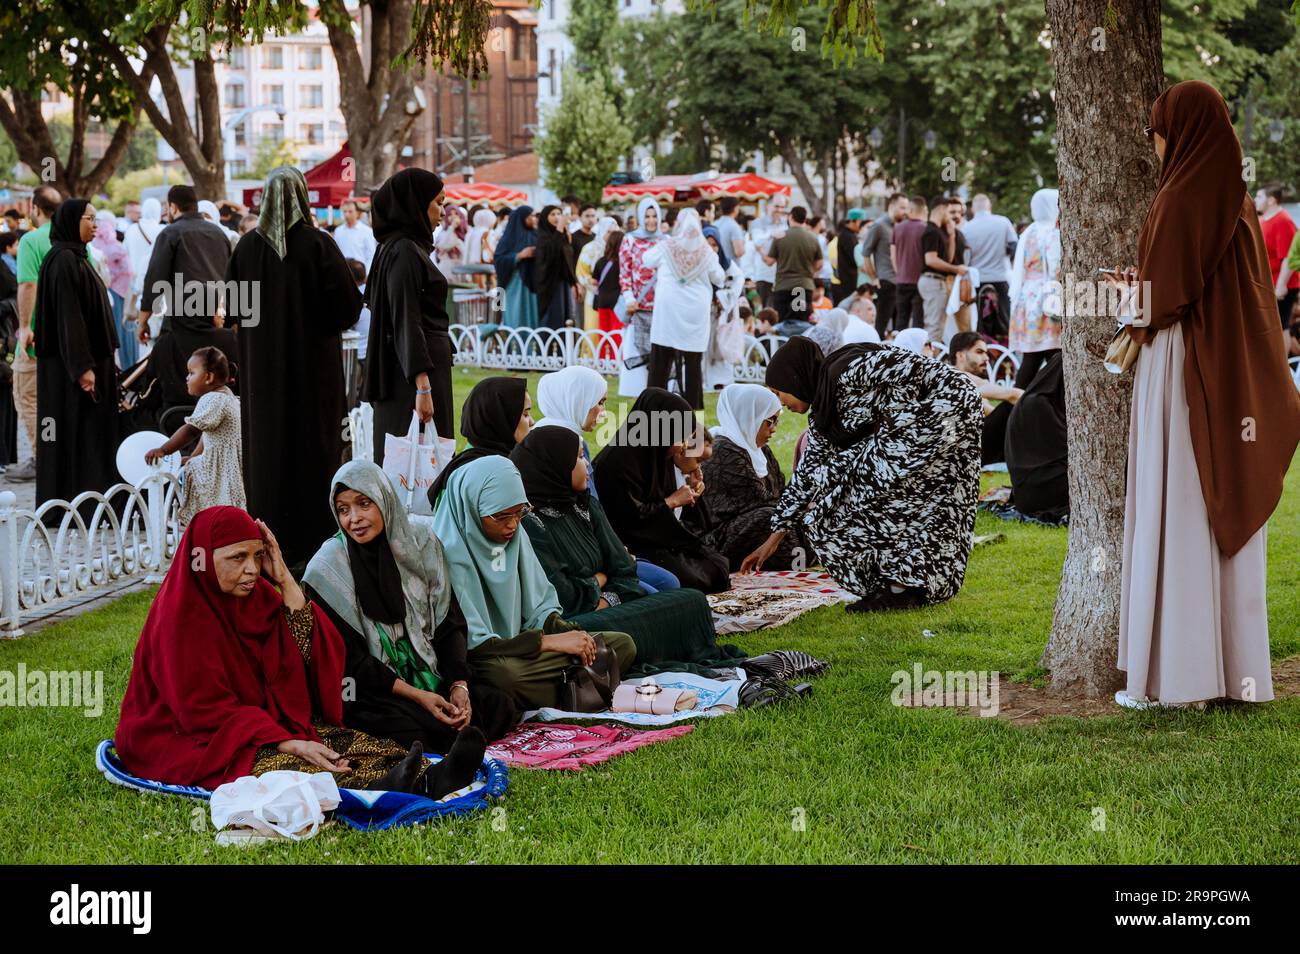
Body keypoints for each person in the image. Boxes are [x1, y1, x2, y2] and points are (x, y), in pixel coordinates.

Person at [1116, 81, 1300, 708]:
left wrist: (1131, 298)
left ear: (1184, 130)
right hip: (1221, 373)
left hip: (1179, 366)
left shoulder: (1182, 197)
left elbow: (1162, 299)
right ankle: (1228, 671)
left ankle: (1182, 675)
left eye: (1160, 129)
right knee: (1200, 503)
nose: (1158, 142)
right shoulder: (1240, 202)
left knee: (1180, 502)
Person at [115, 506, 486, 797]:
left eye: (257, 555)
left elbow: (306, 650)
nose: (250, 569)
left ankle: (431, 777)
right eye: (236, 558)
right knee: (291, 763)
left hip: (258, 722)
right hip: (191, 738)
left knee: (352, 743)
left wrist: (283, 578)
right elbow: (202, 713)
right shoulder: (180, 617)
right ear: (200, 558)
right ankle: (373, 792)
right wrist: (285, 739)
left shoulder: (256, 595)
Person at [745, 336, 982, 612]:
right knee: (913, 503)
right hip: (926, 426)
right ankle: (901, 587)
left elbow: (913, 369)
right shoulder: (824, 415)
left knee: (852, 487)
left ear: (794, 378)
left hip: (949, 406)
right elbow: (806, 476)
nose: (778, 401)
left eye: (778, 391)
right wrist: (774, 537)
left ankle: (896, 586)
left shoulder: (846, 371)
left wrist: (896, 412)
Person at [303, 461, 517, 751]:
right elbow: (350, 661)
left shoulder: (421, 544)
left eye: (364, 504)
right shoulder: (327, 568)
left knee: (499, 704)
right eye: (343, 509)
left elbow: (449, 623)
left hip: (428, 673)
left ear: (384, 498)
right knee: (406, 729)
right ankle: (447, 739)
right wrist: (417, 696)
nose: (354, 519)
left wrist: (458, 685)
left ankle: (450, 731)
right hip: (371, 689)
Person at [225, 167, 362, 567]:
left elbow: (233, 310)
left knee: (268, 451)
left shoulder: (246, 249)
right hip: (313, 375)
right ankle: (317, 542)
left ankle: (269, 537)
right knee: (315, 448)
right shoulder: (320, 245)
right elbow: (349, 309)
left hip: (261, 378)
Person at [510, 426, 731, 667]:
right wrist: (604, 579)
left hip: (607, 605)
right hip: (575, 627)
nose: (587, 465)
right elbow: (566, 598)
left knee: (692, 600)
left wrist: (604, 594)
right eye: (578, 458)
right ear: (556, 465)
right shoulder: (531, 523)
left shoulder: (584, 505)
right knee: (660, 611)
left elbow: (625, 568)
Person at [432, 455, 637, 711]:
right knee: (504, 677)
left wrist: (568, 633)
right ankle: (577, 683)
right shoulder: (447, 553)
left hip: (530, 654)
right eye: (501, 516)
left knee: (621, 644)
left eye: (520, 512)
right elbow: (477, 648)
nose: (513, 525)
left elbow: (540, 609)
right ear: (471, 510)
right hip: (489, 660)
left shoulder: (515, 536)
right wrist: (549, 643)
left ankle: (566, 686)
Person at [592, 388, 731, 594]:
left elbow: (682, 522)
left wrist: (691, 486)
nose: (684, 446)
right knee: (692, 578)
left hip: (658, 540)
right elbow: (628, 522)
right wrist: (671, 502)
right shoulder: (616, 464)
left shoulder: (656, 455)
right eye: (680, 437)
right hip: (631, 546)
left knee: (716, 563)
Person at [32, 198, 120, 510]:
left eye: (96, 219)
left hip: (88, 363)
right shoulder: (63, 260)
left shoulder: (76, 257)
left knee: (89, 433)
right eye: (89, 219)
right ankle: (75, 503)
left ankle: (91, 499)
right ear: (72, 220)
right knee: (74, 431)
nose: (95, 225)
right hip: (73, 370)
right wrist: (83, 367)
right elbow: (69, 318)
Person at [361, 168, 453, 466]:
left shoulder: (404, 248)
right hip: (412, 377)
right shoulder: (403, 252)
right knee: (411, 462)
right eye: (438, 202)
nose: (442, 211)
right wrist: (422, 386)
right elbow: (406, 321)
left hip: (416, 369)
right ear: (416, 204)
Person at [693, 383, 809, 570]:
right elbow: (759, 502)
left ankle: (804, 553)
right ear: (750, 417)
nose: (774, 429)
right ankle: (805, 555)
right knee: (770, 517)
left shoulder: (759, 449)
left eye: (776, 421)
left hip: (757, 524)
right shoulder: (723, 450)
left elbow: (782, 494)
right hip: (716, 537)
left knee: (800, 510)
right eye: (770, 421)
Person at [145, 345, 245, 527]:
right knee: (191, 463)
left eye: (191, 373)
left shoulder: (212, 398)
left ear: (208, 377)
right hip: (231, 464)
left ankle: (182, 518)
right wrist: (195, 455)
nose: (187, 378)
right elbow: (207, 433)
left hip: (221, 466)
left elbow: (192, 430)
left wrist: (164, 449)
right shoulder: (227, 395)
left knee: (191, 474)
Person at [643, 208, 726, 410]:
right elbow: (720, 278)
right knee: (692, 364)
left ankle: (652, 409)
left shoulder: (666, 246)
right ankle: (693, 409)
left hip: (668, 311)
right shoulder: (706, 251)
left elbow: (647, 260)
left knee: (660, 362)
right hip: (695, 313)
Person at [9, 184, 62, 483]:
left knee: (27, 396)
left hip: (36, 337)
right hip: (64, 338)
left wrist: (26, 326)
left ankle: (40, 457)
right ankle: (57, 454)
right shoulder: (77, 240)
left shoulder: (31, 240)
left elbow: (28, 284)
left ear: (35, 208)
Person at [137, 185, 232, 344]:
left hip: (184, 322)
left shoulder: (170, 233)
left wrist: (143, 321)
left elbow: (155, 280)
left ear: (173, 207)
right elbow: (231, 278)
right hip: (218, 319)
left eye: (167, 207)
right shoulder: (219, 233)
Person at [427, 375, 531, 506]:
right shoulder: (491, 472)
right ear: (499, 419)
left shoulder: (473, 456)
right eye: (525, 415)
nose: (532, 422)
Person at [1004, 351, 1067, 522]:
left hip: (1027, 491)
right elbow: (1068, 453)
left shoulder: (1038, 399)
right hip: (1039, 492)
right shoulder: (1040, 404)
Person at [1008, 188, 1062, 387]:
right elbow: (1057, 267)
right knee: (1054, 355)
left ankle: (1016, 403)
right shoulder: (1052, 234)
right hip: (1047, 297)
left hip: (1027, 299)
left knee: (1032, 358)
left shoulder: (1028, 232)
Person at [949, 331, 1022, 465]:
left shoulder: (963, 380)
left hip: (964, 449)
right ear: (960, 355)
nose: (986, 358)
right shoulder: (955, 377)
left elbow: (989, 412)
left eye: (986, 353)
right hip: (958, 453)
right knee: (1011, 406)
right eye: (979, 352)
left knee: (1011, 412)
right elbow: (1012, 395)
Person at [617, 198, 667, 398]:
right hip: (637, 305)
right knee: (636, 348)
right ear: (639, 217)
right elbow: (624, 272)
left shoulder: (665, 241)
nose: (651, 220)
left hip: (661, 305)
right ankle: (635, 389)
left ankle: (659, 388)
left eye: (654, 215)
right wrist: (629, 297)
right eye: (646, 216)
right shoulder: (629, 240)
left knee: (660, 349)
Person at [961, 194, 1018, 340]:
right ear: (989, 207)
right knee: (1004, 321)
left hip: (978, 281)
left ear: (973, 209)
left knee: (981, 322)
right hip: (1001, 277)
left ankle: (984, 349)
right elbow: (1014, 247)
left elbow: (964, 256)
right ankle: (1005, 357)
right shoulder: (1003, 222)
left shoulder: (966, 228)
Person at [918, 195, 968, 342]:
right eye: (948, 211)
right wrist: (955, 269)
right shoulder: (931, 231)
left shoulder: (940, 231)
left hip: (938, 281)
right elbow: (931, 260)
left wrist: (952, 236)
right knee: (934, 327)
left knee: (938, 325)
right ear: (941, 209)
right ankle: (929, 361)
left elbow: (948, 259)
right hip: (933, 280)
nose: (951, 216)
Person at [763, 205, 823, 324]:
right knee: (801, 322)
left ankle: (785, 343)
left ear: (791, 217)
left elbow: (769, 261)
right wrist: (810, 270)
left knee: (782, 322)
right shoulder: (812, 237)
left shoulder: (781, 236)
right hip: (804, 286)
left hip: (783, 286)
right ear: (805, 219)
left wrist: (761, 251)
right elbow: (820, 263)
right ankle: (801, 343)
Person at [91, 210, 135, 369]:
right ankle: (129, 366)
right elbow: (129, 270)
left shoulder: (91, 244)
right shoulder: (114, 245)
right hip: (120, 292)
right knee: (125, 330)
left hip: (104, 292)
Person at [492, 205, 539, 329]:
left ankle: (533, 347)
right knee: (516, 318)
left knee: (534, 318)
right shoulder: (509, 237)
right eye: (531, 216)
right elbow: (499, 259)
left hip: (533, 284)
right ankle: (515, 347)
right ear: (522, 218)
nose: (534, 219)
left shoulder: (536, 235)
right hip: (514, 284)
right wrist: (519, 256)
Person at [532, 205, 577, 330]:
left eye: (559, 214)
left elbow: (568, 259)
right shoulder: (542, 236)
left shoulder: (562, 235)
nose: (557, 217)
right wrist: (559, 230)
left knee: (566, 319)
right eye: (552, 214)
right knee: (553, 318)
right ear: (545, 218)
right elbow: (551, 255)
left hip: (563, 283)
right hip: (550, 286)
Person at [890, 195, 929, 333]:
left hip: (901, 280)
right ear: (923, 209)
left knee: (901, 319)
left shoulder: (898, 228)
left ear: (910, 209)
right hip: (920, 280)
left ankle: (898, 352)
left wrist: (899, 272)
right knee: (918, 320)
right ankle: (916, 352)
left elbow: (893, 255)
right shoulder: (926, 228)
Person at [576, 215, 616, 330]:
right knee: (594, 330)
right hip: (595, 297)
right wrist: (591, 282)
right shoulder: (590, 249)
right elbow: (581, 272)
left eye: (614, 232)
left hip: (615, 298)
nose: (611, 236)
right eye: (608, 232)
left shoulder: (620, 249)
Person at [748, 194, 788, 308]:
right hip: (763, 275)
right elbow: (757, 241)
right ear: (768, 206)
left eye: (782, 207)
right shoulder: (758, 222)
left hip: (781, 275)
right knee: (765, 310)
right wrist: (771, 234)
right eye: (776, 206)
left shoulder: (785, 223)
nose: (779, 210)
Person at [592, 226, 624, 356]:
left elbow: (594, 281)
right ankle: (615, 359)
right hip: (617, 302)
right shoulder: (623, 262)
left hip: (602, 300)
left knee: (603, 333)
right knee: (616, 332)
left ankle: (603, 359)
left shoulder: (601, 261)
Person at [332, 198, 376, 272]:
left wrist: (366, 273)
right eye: (345, 211)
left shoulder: (367, 231)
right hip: (344, 272)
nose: (347, 214)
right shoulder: (338, 231)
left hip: (360, 273)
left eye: (350, 211)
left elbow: (371, 255)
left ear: (357, 213)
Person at [831, 209, 865, 304]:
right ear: (855, 221)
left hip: (847, 279)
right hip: (849, 281)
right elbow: (856, 259)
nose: (861, 227)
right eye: (861, 223)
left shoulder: (847, 235)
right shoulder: (848, 236)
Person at [713, 196, 747, 266]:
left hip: (716, 267)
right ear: (735, 208)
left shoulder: (714, 224)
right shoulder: (734, 226)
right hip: (731, 268)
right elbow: (739, 252)